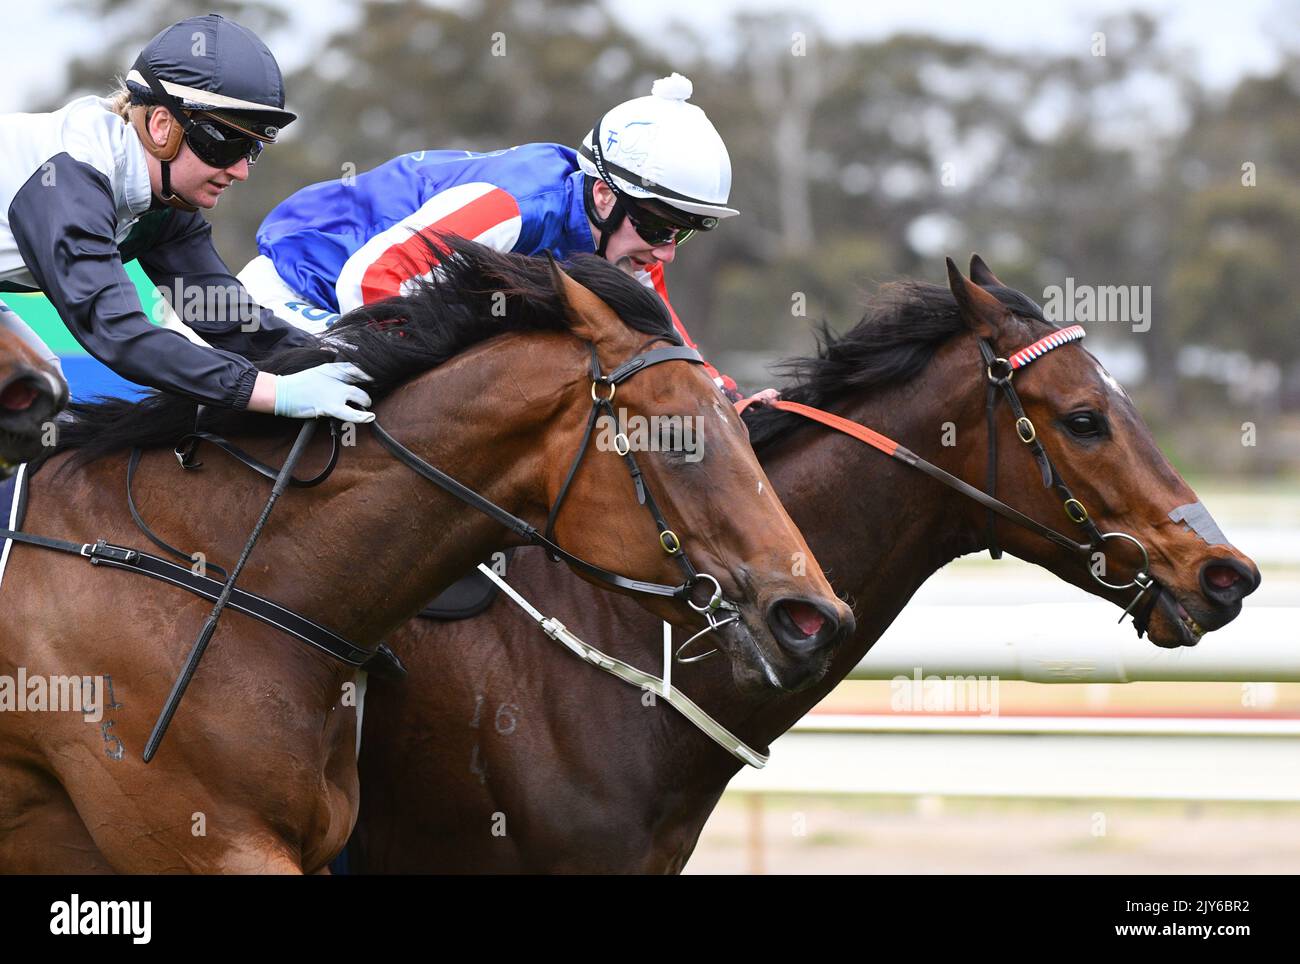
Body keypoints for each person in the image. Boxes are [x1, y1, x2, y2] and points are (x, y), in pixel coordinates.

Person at [241, 72, 779, 405]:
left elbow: (661, 343)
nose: (665, 251)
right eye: (661, 227)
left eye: (682, 232)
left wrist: (731, 399)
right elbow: (369, 281)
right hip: (302, 284)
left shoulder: (627, 239)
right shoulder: (516, 205)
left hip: (364, 284)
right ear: (606, 197)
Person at [0, 14, 373, 424]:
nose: (240, 171)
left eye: (253, 150)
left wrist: (346, 361)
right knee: (30, 406)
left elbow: (227, 316)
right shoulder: (70, 178)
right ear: (162, 126)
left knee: (38, 405)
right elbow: (119, 334)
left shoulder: (165, 199)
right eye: (229, 142)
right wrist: (274, 392)